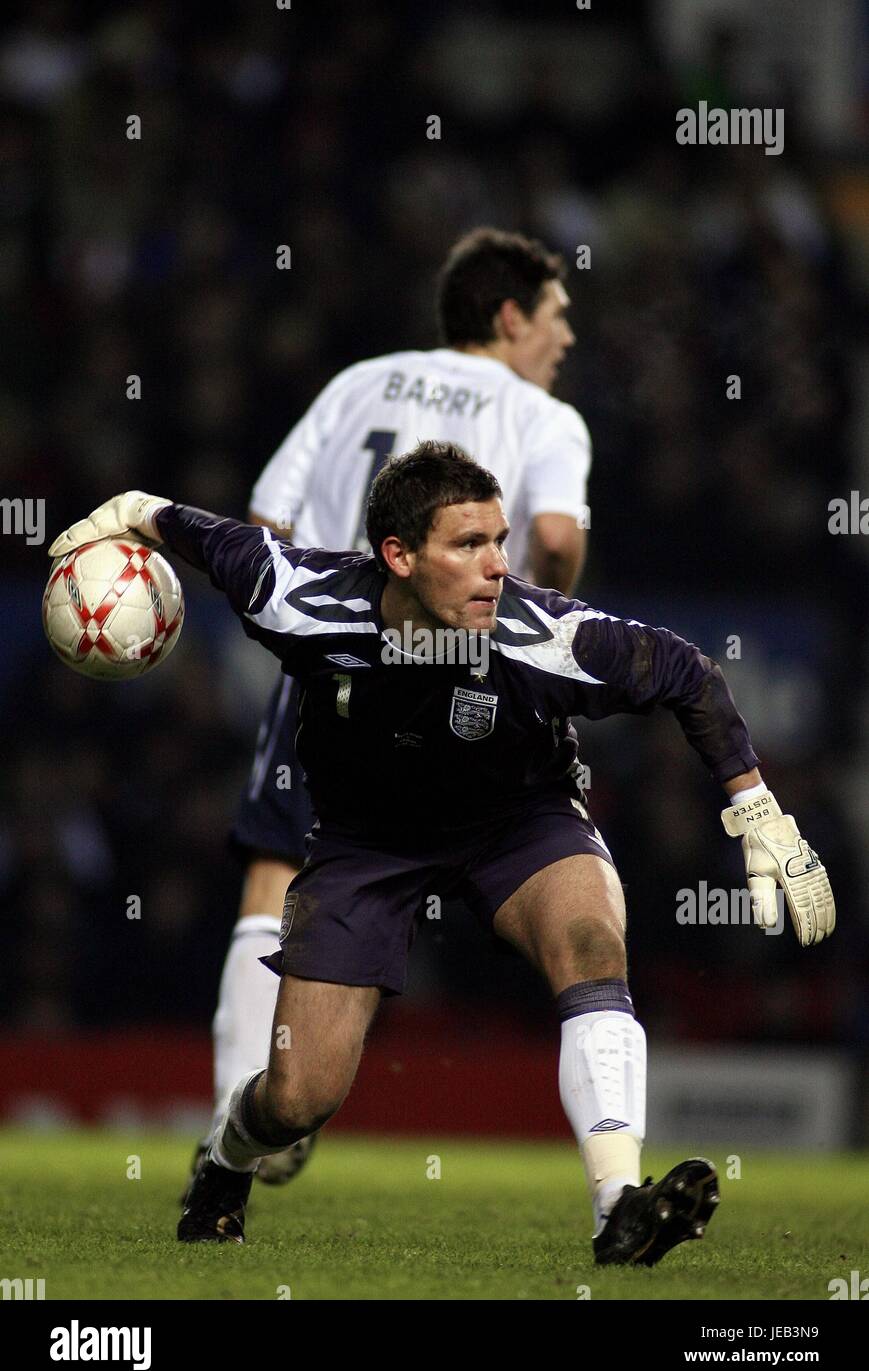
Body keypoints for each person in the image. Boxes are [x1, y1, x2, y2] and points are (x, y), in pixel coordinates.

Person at [48, 448, 835, 1265]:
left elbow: (685, 671)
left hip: (518, 823)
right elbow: (214, 541)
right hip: (366, 845)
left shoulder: (537, 632)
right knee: (296, 1100)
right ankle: (224, 1163)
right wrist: (137, 508)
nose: (498, 565)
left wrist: (755, 807)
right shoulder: (303, 598)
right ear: (397, 555)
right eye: (468, 544)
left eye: (499, 540)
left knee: (592, 941)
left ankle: (618, 1208)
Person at [217, 228, 590, 1185]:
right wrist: (536, 624)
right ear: (510, 317)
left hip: (336, 666)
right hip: (467, 679)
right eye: (557, 316)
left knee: (273, 880)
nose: (567, 338)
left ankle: (246, 1127)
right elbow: (551, 535)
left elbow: (266, 515)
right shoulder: (540, 414)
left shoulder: (358, 382)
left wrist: (319, 609)